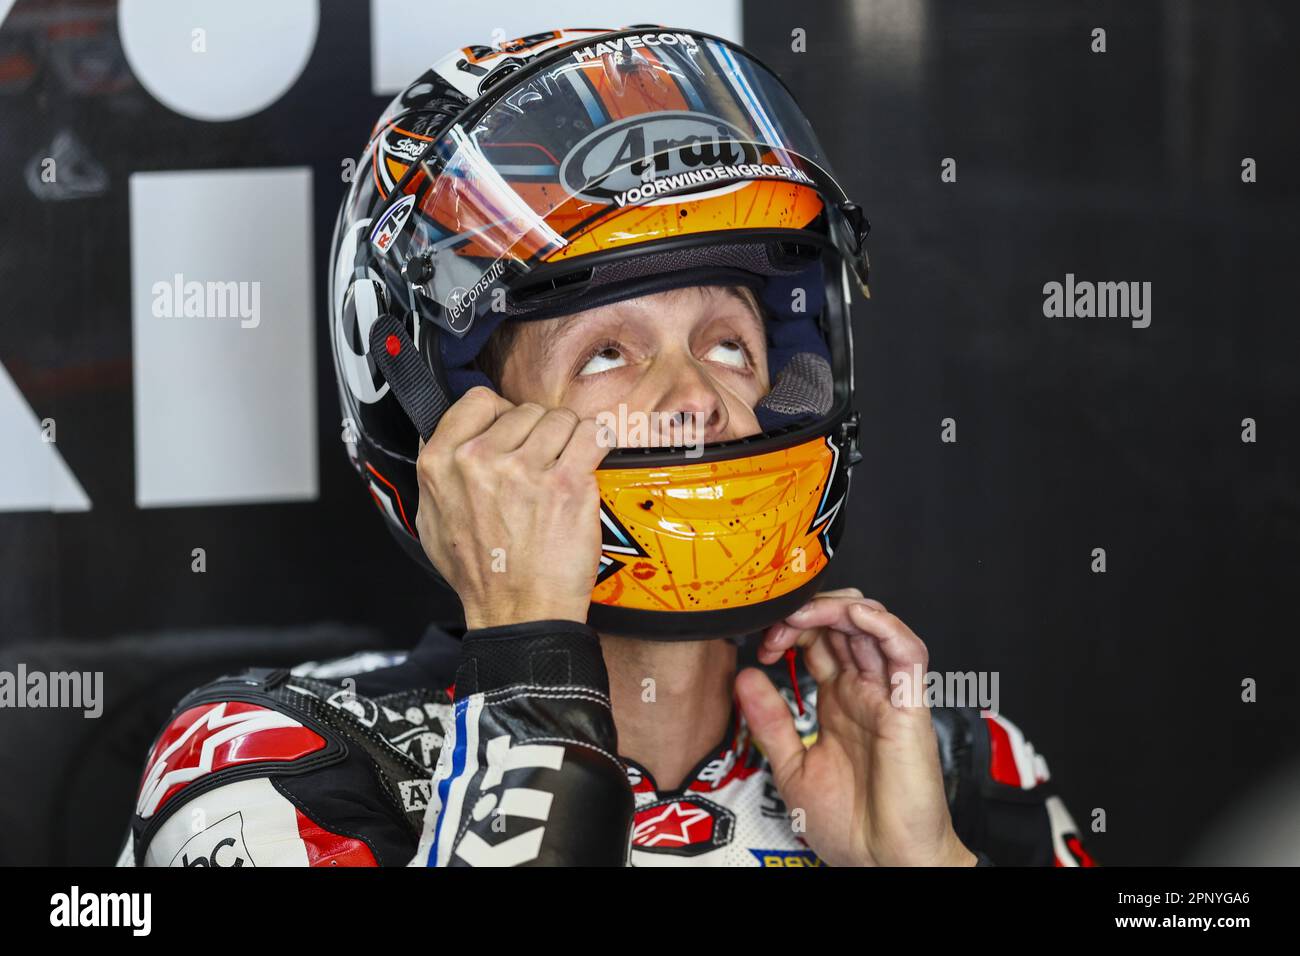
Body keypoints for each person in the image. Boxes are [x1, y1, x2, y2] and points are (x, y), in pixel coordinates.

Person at [115, 26, 1096, 867]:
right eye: (607, 353)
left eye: (726, 340)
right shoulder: (278, 761)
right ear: (460, 422)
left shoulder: (941, 756)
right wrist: (530, 670)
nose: (695, 397)